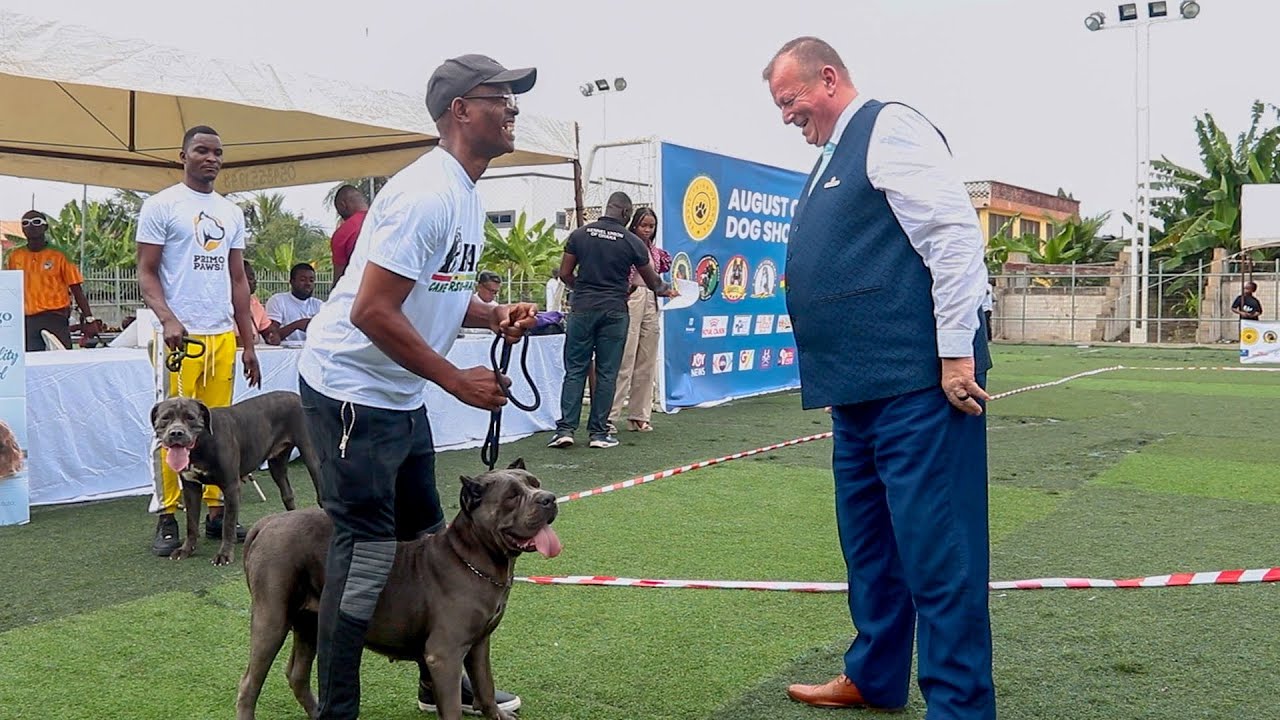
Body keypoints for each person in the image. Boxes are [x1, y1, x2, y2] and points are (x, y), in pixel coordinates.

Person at [296, 53, 539, 719]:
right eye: (500, 97)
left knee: (432, 534)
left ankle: (442, 680)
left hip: (398, 396)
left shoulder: (465, 192)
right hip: (352, 395)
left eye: (514, 98)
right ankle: (338, 710)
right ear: (460, 111)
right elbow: (370, 310)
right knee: (367, 557)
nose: (513, 108)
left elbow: (433, 292)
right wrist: (454, 379)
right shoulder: (426, 193)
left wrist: (491, 314)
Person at [762, 37, 994, 718]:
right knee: (869, 549)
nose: (785, 117)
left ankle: (958, 706)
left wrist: (955, 354)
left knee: (939, 554)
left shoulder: (891, 126)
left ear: (827, 78)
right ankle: (875, 675)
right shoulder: (833, 154)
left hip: (919, 386)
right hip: (856, 393)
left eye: (790, 100)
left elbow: (952, 238)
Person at [136, 124, 262, 557]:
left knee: (214, 430)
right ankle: (168, 516)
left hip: (221, 335)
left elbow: (238, 277)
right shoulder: (161, 205)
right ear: (183, 155)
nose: (211, 158)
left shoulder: (231, 212)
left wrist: (248, 342)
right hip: (178, 339)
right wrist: (168, 318)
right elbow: (146, 272)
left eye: (217, 153)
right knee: (169, 427)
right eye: (202, 151)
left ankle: (215, 515)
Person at [548, 192, 674, 450]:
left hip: (582, 309)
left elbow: (564, 273)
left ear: (607, 208)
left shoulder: (580, 234)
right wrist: (669, 289)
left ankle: (565, 430)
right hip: (615, 311)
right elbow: (653, 283)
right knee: (607, 372)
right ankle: (598, 433)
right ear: (627, 214)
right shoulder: (632, 242)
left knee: (575, 370)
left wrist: (581, 289)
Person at [609, 207, 669, 433]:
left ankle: (639, 416)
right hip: (630, 298)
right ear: (634, 225)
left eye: (651, 226)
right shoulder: (626, 245)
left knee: (647, 360)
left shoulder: (656, 252)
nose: (647, 229)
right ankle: (609, 416)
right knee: (625, 358)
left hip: (652, 300)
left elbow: (658, 275)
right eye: (643, 225)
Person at [7, 210, 100, 351]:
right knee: (32, 363)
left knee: (62, 358)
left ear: (45, 227)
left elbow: (76, 289)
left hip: (55, 316)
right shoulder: (15, 256)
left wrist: (89, 319)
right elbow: (12, 289)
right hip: (27, 319)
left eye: (36, 222)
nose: (30, 226)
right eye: (25, 223)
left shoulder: (60, 254)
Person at [266, 262, 323, 342]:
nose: (308, 284)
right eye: (303, 280)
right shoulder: (278, 300)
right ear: (292, 282)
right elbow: (271, 336)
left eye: (311, 280)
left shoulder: (319, 305)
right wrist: (297, 325)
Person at [330, 184, 369, 283]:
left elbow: (339, 278)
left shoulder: (343, 233)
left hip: (360, 290)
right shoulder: (384, 218)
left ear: (343, 205)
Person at [241, 260, 278, 345]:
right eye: (250, 278)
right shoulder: (222, 303)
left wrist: (271, 335)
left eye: (253, 278)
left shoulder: (255, 302)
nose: (255, 281)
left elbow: (267, 330)